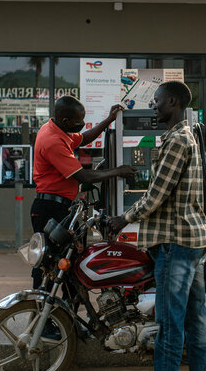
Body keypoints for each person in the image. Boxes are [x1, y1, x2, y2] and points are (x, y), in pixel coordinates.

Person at [106, 81, 206, 371]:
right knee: (196, 320)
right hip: (191, 241)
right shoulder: (186, 136)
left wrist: (123, 218)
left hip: (175, 243)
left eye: (157, 101)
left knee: (170, 324)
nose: (153, 106)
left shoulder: (176, 141)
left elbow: (156, 196)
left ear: (173, 102)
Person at [31, 96, 135, 287]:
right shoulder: (52, 140)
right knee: (50, 262)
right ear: (65, 121)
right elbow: (83, 176)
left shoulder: (58, 129)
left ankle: (69, 304)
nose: (82, 124)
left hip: (61, 206)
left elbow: (84, 138)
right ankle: (42, 302)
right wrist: (117, 171)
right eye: (78, 121)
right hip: (50, 208)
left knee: (71, 259)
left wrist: (109, 119)